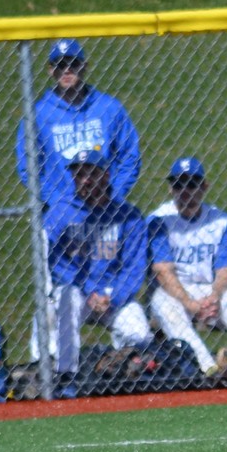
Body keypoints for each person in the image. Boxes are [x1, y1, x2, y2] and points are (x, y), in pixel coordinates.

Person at [147, 157, 227, 386]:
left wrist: (214, 297)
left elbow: (225, 269)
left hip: (210, 289)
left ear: (204, 187)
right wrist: (190, 304)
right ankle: (207, 368)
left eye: (192, 183)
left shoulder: (220, 220)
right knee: (162, 302)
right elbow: (162, 272)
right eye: (178, 184)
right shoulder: (159, 220)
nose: (185, 190)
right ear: (170, 188)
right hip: (175, 292)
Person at [43, 150, 153, 388]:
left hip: (113, 296)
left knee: (140, 335)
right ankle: (65, 378)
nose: (85, 180)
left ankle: (119, 376)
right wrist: (90, 292)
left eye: (91, 173)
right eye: (79, 174)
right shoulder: (60, 212)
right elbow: (56, 263)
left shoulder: (128, 216)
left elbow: (134, 268)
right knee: (64, 302)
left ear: (106, 175)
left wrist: (113, 297)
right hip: (76, 292)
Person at [16, 39, 141, 209]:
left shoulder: (109, 108)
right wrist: (59, 204)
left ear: (84, 66)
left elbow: (130, 155)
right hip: (62, 214)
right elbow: (28, 168)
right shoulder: (38, 115)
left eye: (73, 63)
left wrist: (113, 195)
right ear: (51, 70)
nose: (67, 70)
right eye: (60, 65)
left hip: (107, 208)